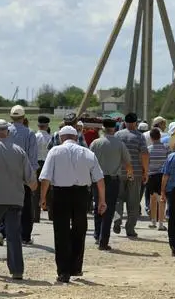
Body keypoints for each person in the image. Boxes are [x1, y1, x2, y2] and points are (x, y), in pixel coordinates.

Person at [40, 125, 106, 283]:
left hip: (61, 194)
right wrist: (102, 200)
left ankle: (63, 271)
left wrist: (42, 198)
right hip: (81, 194)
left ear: (61, 138)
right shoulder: (87, 152)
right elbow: (99, 178)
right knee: (79, 228)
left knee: (61, 231)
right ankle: (76, 267)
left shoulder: (55, 151)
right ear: (76, 137)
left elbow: (46, 178)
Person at [0, 119, 37, 280]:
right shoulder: (19, 151)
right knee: (13, 234)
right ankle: (17, 270)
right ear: (8, 132)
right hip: (15, 199)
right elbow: (31, 180)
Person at [90, 118, 133, 250]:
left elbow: (89, 160)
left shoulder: (95, 143)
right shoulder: (120, 144)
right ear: (114, 128)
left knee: (98, 206)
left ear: (103, 128)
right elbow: (128, 162)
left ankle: (97, 235)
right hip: (113, 180)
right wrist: (130, 175)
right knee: (108, 210)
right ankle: (104, 241)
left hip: (97, 179)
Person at [113, 113, 149, 238]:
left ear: (125, 122)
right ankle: (130, 229)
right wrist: (146, 171)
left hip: (119, 172)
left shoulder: (118, 135)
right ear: (135, 123)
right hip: (135, 173)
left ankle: (117, 220)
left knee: (118, 198)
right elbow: (144, 154)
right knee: (133, 201)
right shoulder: (139, 136)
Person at [7, 105, 39, 245]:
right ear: (23, 117)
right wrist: (32, 178)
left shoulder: (5, 131)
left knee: (6, 205)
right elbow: (32, 159)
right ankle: (25, 236)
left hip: (7, 175)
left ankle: (4, 233)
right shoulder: (29, 133)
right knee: (26, 207)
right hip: (23, 176)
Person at [146, 128, 169, 231]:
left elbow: (146, 163)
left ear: (151, 138)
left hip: (151, 176)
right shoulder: (166, 148)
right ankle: (160, 223)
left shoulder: (148, 149)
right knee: (162, 199)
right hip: (162, 176)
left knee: (153, 199)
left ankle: (153, 221)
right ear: (160, 136)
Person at [33, 115, 53, 223]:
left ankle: (36, 216)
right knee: (49, 190)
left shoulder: (34, 137)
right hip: (47, 164)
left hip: (36, 164)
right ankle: (51, 214)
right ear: (47, 125)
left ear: (38, 125)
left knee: (36, 191)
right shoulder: (50, 137)